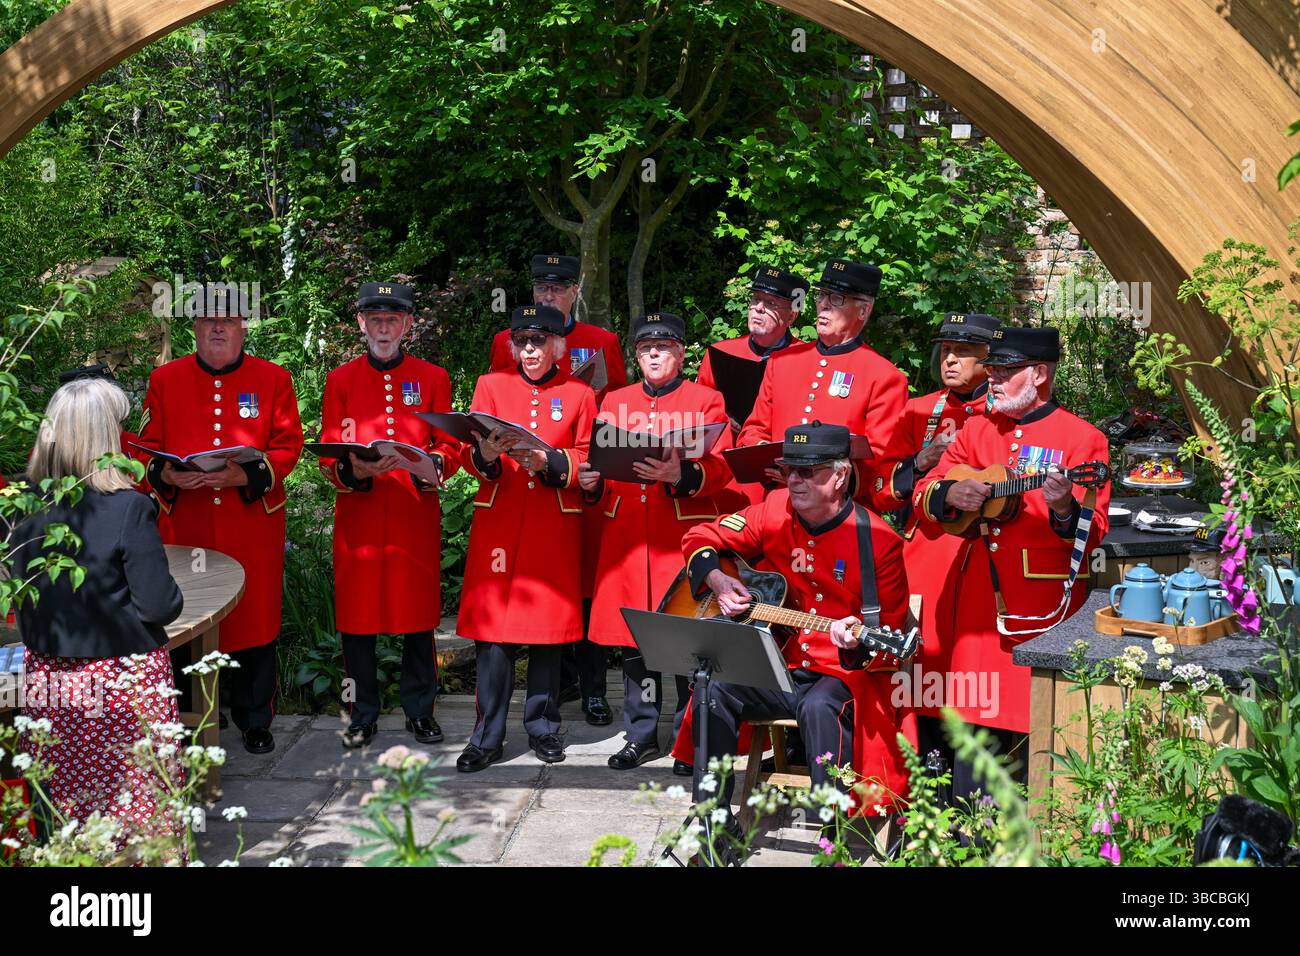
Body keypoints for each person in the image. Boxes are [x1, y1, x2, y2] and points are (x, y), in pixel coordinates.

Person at [914, 326, 1111, 801]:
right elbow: (925, 492)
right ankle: (960, 835)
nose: (994, 379)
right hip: (971, 604)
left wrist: (1064, 508)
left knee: (1030, 728)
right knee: (969, 728)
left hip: (1036, 607)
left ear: (1039, 374)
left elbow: (1095, 529)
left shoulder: (1082, 439)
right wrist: (948, 493)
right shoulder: (977, 430)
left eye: (1006, 371)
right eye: (994, 369)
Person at [680, 422, 913, 821]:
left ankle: (832, 829)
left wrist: (856, 643)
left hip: (839, 674)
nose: (794, 481)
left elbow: (885, 650)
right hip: (778, 662)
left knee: (822, 706)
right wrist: (718, 579)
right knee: (712, 688)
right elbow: (701, 536)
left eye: (808, 471)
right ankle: (712, 821)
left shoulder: (878, 541)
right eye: (789, 471)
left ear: (840, 475)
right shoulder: (773, 510)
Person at [13, 377, 186, 854]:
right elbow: (158, 604)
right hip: (121, 683)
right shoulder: (130, 507)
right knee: (136, 813)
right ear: (103, 436)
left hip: (49, 682)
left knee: (60, 807)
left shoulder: (21, 509)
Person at [137, 284, 304, 754]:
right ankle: (192, 719)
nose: (217, 327)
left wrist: (240, 474)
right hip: (186, 522)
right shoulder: (165, 378)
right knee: (187, 618)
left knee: (254, 619)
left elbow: (288, 447)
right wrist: (166, 472)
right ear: (194, 327)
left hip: (250, 521)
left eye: (227, 320)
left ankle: (255, 719)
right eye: (208, 319)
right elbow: (147, 444)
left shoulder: (274, 379)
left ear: (242, 326)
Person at [578, 312, 733, 770]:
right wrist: (589, 480)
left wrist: (680, 473)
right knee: (635, 643)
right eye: (646, 349)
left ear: (681, 353)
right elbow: (598, 463)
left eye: (663, 348)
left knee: (688, 639)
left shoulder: (707, 400)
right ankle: (641, 734)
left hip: (681, 535)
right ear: (636, 354)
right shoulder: (615, 400)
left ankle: (688, 740)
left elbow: (722, 468)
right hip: (628, 536)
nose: (654, 355)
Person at [318, 282, 461, 749]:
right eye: (375, 319)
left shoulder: (434, 376)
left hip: (412, 514)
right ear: (361, 323)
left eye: (393, 319)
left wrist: (433, 463)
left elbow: (450, 447)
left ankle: (421, 712)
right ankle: (361, 714)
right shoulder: (340, 380)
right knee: (357, 621)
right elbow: (326, 452)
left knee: (418, 619)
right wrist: (352, 466)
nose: (384, 327)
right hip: (359, 518)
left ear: (408, 324)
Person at [456, 304, 597, 771]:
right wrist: (486, 453)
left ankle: (542, 727)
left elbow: (587, 456)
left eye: (540, 341)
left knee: (547, 633)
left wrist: (551, 463)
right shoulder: (489, 385)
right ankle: (486, 736)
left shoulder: (579, 393)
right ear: (511, 345)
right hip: (499, 521)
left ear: (558, 346)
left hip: (553, 521)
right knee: (493, 636)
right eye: (522, 341)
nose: (530, 349)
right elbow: (469, 454)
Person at [489, 253, 628, 726]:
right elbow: (498, 409)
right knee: (540, 596)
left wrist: (584, 469)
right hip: (519, 490)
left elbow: (617, 408)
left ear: (575, 290)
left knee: (583, 590)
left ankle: (592, 690)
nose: (549, 294)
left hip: (580, 485)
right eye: (541, 287)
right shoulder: (506, 346)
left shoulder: (601, 341)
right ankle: (556, 688)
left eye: (558, 287)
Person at [868, 313, 998, 762]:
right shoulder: (918, 410)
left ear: (990, 360)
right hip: (923, 555)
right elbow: (881, 491)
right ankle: (917, 769)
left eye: (962, 352)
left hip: (983, 556)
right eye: (945, 350)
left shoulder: (1003, 413)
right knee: (920, 667)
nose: (950, 359)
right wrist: (919, 464)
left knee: (975, 673)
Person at [737, 259, 907, 502]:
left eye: (837, 298)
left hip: (839, 511)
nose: (824, 305)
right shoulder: (782, 361)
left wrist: (815, 475)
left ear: (863, 310)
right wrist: (767, 455)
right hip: (776, 504)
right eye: (822, 295)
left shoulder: (884, 376)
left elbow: (880, 460)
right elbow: (754, 429)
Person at [698, 265, 808, 509]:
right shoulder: (720, 353)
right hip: (726, 470)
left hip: (782, 478)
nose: (758, 308)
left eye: (770, 304)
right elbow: (700, 416)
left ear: (791, 316)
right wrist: (724, 421)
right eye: (756, 299)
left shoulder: (806, 358)